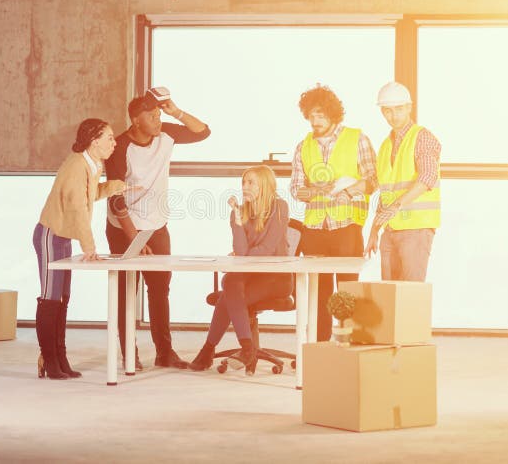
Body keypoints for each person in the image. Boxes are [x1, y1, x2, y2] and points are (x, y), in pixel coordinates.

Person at [105, 89, 210, 370]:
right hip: (124, 228)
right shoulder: (119, 148)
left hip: (156, 226)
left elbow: (202, 133)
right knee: (127, 292)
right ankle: (129, 353)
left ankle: (165, 353)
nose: (157, 119)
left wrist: (176, 111)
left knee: (160, 290)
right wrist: (134, 238)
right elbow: (116, 201)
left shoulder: (166, 134)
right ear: (135, 121)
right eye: (151, 116)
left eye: (159, 114)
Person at [33, 118, 125, 380]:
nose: (114, 142)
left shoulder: (92, 163)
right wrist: (90, 247)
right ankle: (49, 361)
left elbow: (90, 195)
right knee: (50, 298)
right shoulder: (76, 166)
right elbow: (77, 208)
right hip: (51, 236)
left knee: (63, 299)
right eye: (109, 137)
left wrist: (120, 186)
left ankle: (60, 358)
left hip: (63, 237)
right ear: (94, 141)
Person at [290, 85, 377, 342]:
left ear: (333, 114)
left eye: (320, 115)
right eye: (311, 116)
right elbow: (296, 189)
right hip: (315, 229)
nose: (315, 122)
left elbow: (373, 180)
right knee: (319, 293)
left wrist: (347, 191)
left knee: (348, 290)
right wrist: (314, 190)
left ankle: (351, 343)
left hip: (347, 226)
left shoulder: (357, 138)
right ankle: (319, 347)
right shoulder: (302, 147)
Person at [189, 165, 291, 375]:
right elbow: (241, 250)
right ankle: (247, 349)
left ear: (264, 185)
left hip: (276, 278)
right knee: (230, 283)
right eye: (243, 182)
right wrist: (236, 220)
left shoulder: (280, 207)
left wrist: (243, 257)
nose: (244, 186)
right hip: (251, 276)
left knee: (228, 294)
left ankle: (209, 350)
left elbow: (267, 249)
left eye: (250, 182)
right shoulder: (241, 212)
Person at [364, 81, 441, 281]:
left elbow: (427, 178)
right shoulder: (385, 146)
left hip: (415, 230)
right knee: (391, 296)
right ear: (382, 112)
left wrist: (396, 206)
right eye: (388, 110)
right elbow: (385, 194)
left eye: (399, 109)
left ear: (409, 107)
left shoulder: (422, 137)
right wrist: (374, 230)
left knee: (410, 295)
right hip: (390, 231)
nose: (394, 115)